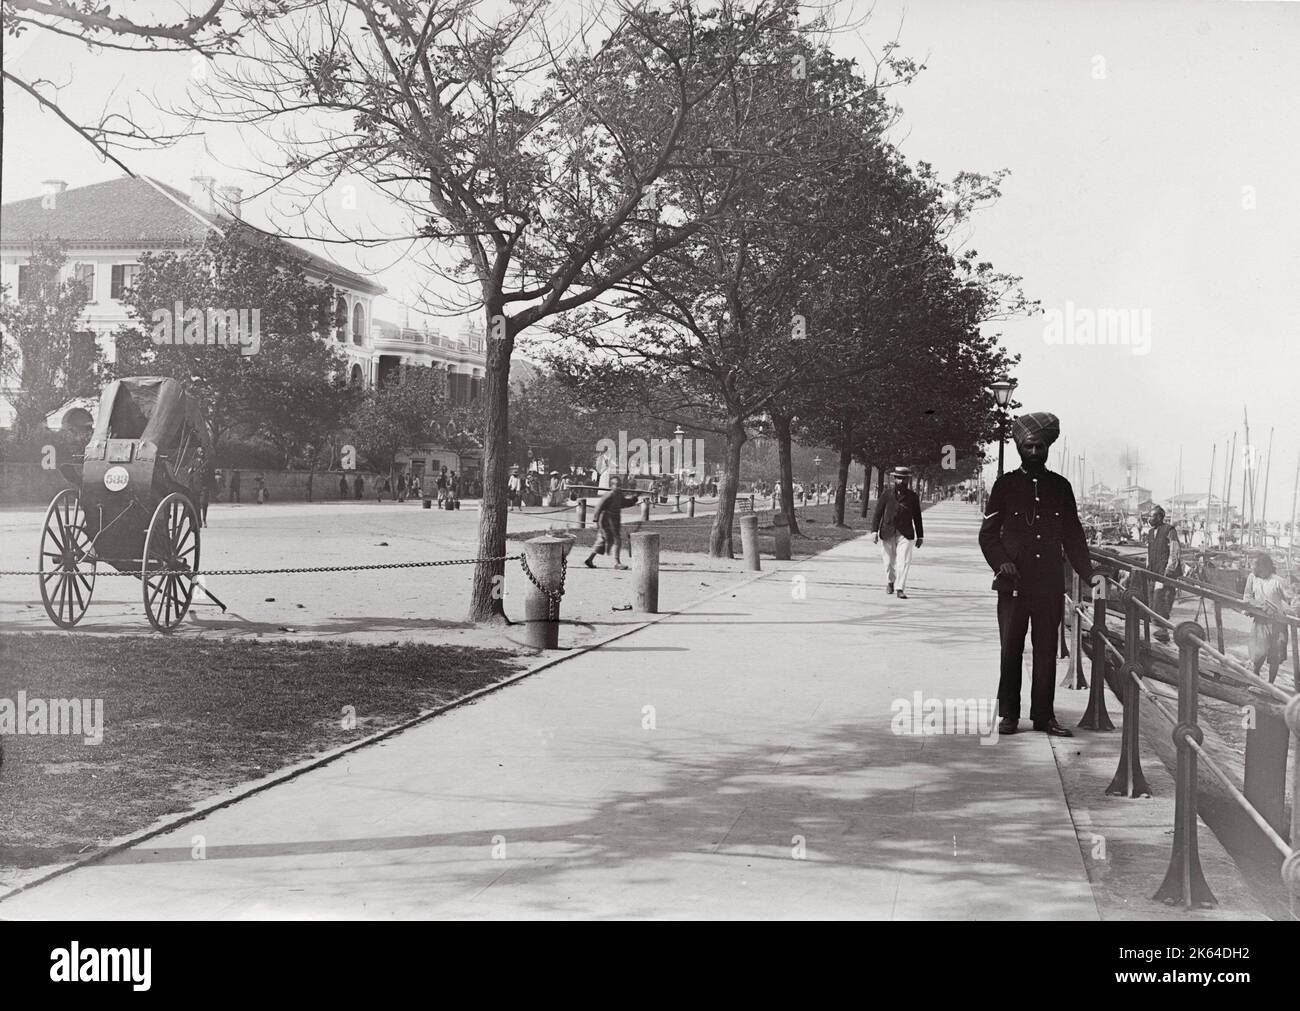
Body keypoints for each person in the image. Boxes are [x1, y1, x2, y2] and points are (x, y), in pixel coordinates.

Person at [979, 411, 1098, 738]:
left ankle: (1044, 717)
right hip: (1013, 584)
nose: (1034, 452)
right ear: (1020, 447)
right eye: (1029, 446)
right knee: (1010, 650)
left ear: (1047, 449)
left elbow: (1074, 537)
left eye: (1040, 447)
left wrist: (1090, 576)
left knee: (1046, 652)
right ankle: (1008, 715)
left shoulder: (1060, 487)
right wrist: (1000, 561)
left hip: (1048, 584)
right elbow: (987, 535)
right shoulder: (1005, 485)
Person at [870, 466, 924, 599]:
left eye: (903, 479)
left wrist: (920, 535)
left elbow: (917, 517)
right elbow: (878, 513)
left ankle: (900, 588)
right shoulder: (886, 494)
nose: (900, 481)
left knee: (904, 561)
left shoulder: (912, 497)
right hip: (887, 531)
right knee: (888, 562)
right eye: (898, 478)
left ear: (907, 480)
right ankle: (890, 581)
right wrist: (874, 531)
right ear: (894, 479)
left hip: (905, 533)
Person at [1244, 553, 1293, 683]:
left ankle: (1270, 684)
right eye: (1256, 571)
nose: (1258, 573)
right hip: (1260, 621)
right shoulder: (1253, 578)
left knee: (1275, 656)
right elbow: (1247, 597)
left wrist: (1291, 608)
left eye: (1261, 570)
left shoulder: (1278, 581)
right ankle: (1255, 677)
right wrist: (1257, 606)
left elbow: (1291, 599)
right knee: (1257, 654)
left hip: (1278, 623)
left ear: (1267, 567)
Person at [584, 477, 639, 569]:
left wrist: (634, 499)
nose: (618, 487)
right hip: (606, 520)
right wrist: (595, 520)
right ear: (611, 486)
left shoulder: (619, 495)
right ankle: (617, 563)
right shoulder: (609, 495)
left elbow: (624, 503)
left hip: (615, 519)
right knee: (617, 540)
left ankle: (589, 559)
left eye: (619, 485)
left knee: (602, 540)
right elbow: (598, 507)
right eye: (616, 485)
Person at [1146, 505, 1182, 643]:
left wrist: (1169, 570)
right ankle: (1156, 629)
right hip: (1152, 570)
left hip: (1163, 572)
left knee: (1160, 599)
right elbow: (1149, 552)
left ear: (1160, 517)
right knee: (1150, 599)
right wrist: (1147, 567)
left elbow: (1175, 551)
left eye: (1152, 516)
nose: (1150, 519)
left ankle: (1163, 631)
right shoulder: (1150, 532)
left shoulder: (1169, 530)